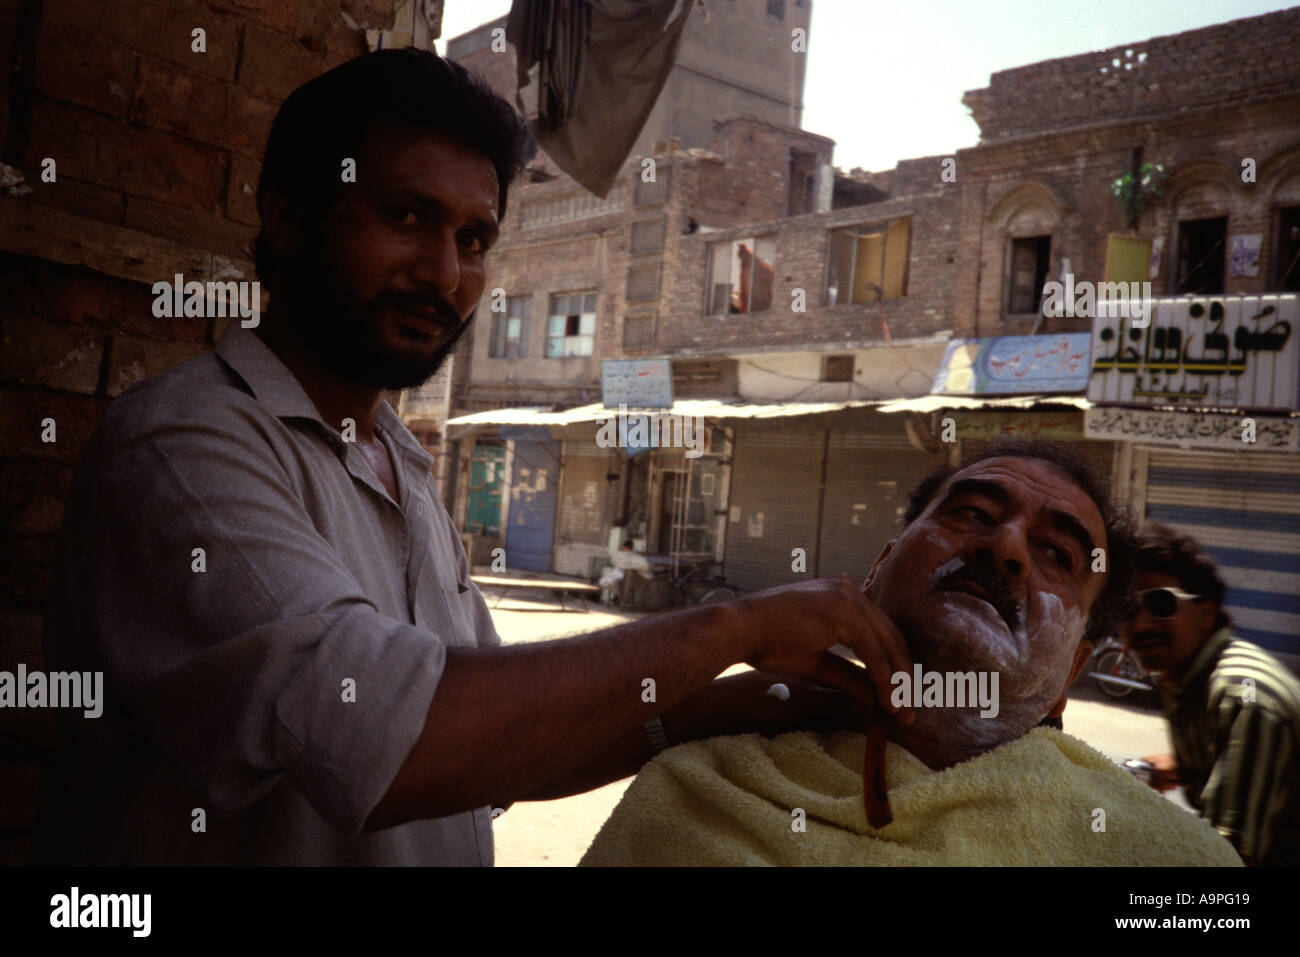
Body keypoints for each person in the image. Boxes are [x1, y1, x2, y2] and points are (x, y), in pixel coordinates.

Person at [31, 50, 910, 866]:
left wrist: (722, 707)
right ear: (290, 217)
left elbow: (503, 743)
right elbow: (398, 736)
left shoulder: (399, 470)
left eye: (475, 240)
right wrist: (734, 627)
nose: (445, 273)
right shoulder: (185, 447)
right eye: (406, 216)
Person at [580, 439, 1241, 865]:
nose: (1005, 548)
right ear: (877, 571)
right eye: (974, 515)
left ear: (1070, 672)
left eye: (1057, 555)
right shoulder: (698, 789)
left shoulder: (1166, 861)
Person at [1123, 523, 1300, 866]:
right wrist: (1182, 764)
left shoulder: (1242, 697)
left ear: (1205, 613)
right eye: (1127, 611)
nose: (1141, 624)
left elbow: (1227, 858)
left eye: (1160, 603)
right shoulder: (1188, 675)